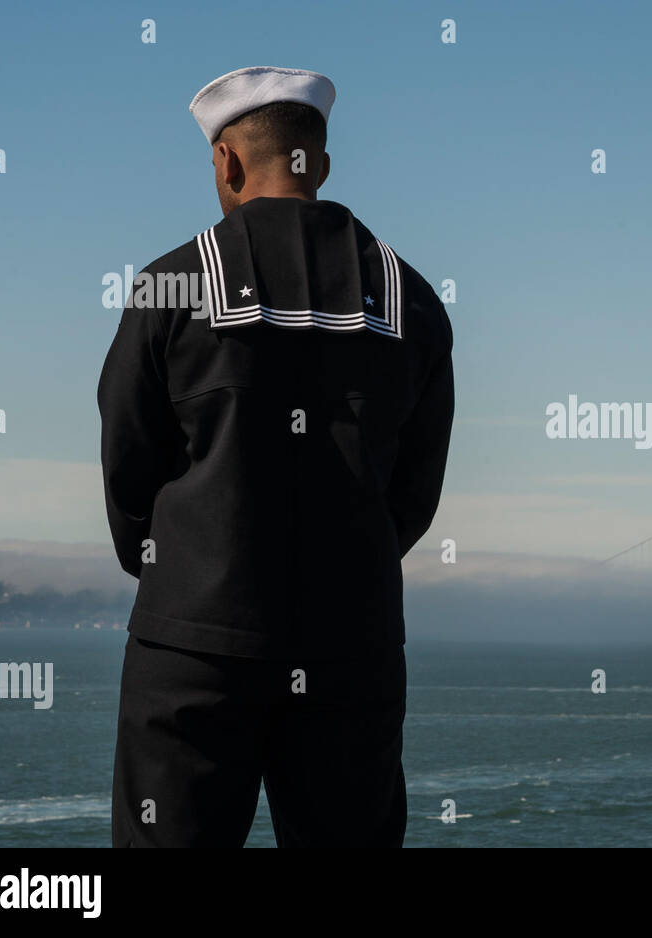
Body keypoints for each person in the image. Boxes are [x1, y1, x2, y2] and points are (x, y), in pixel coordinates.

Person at [97, 66, 454, 846]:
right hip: (353, 647)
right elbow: (414, 493)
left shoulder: (167, 288)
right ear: (317, 162)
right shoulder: (415, 301)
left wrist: (177, 570)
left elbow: (129, 469)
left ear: (225, 161)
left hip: (191, 645)